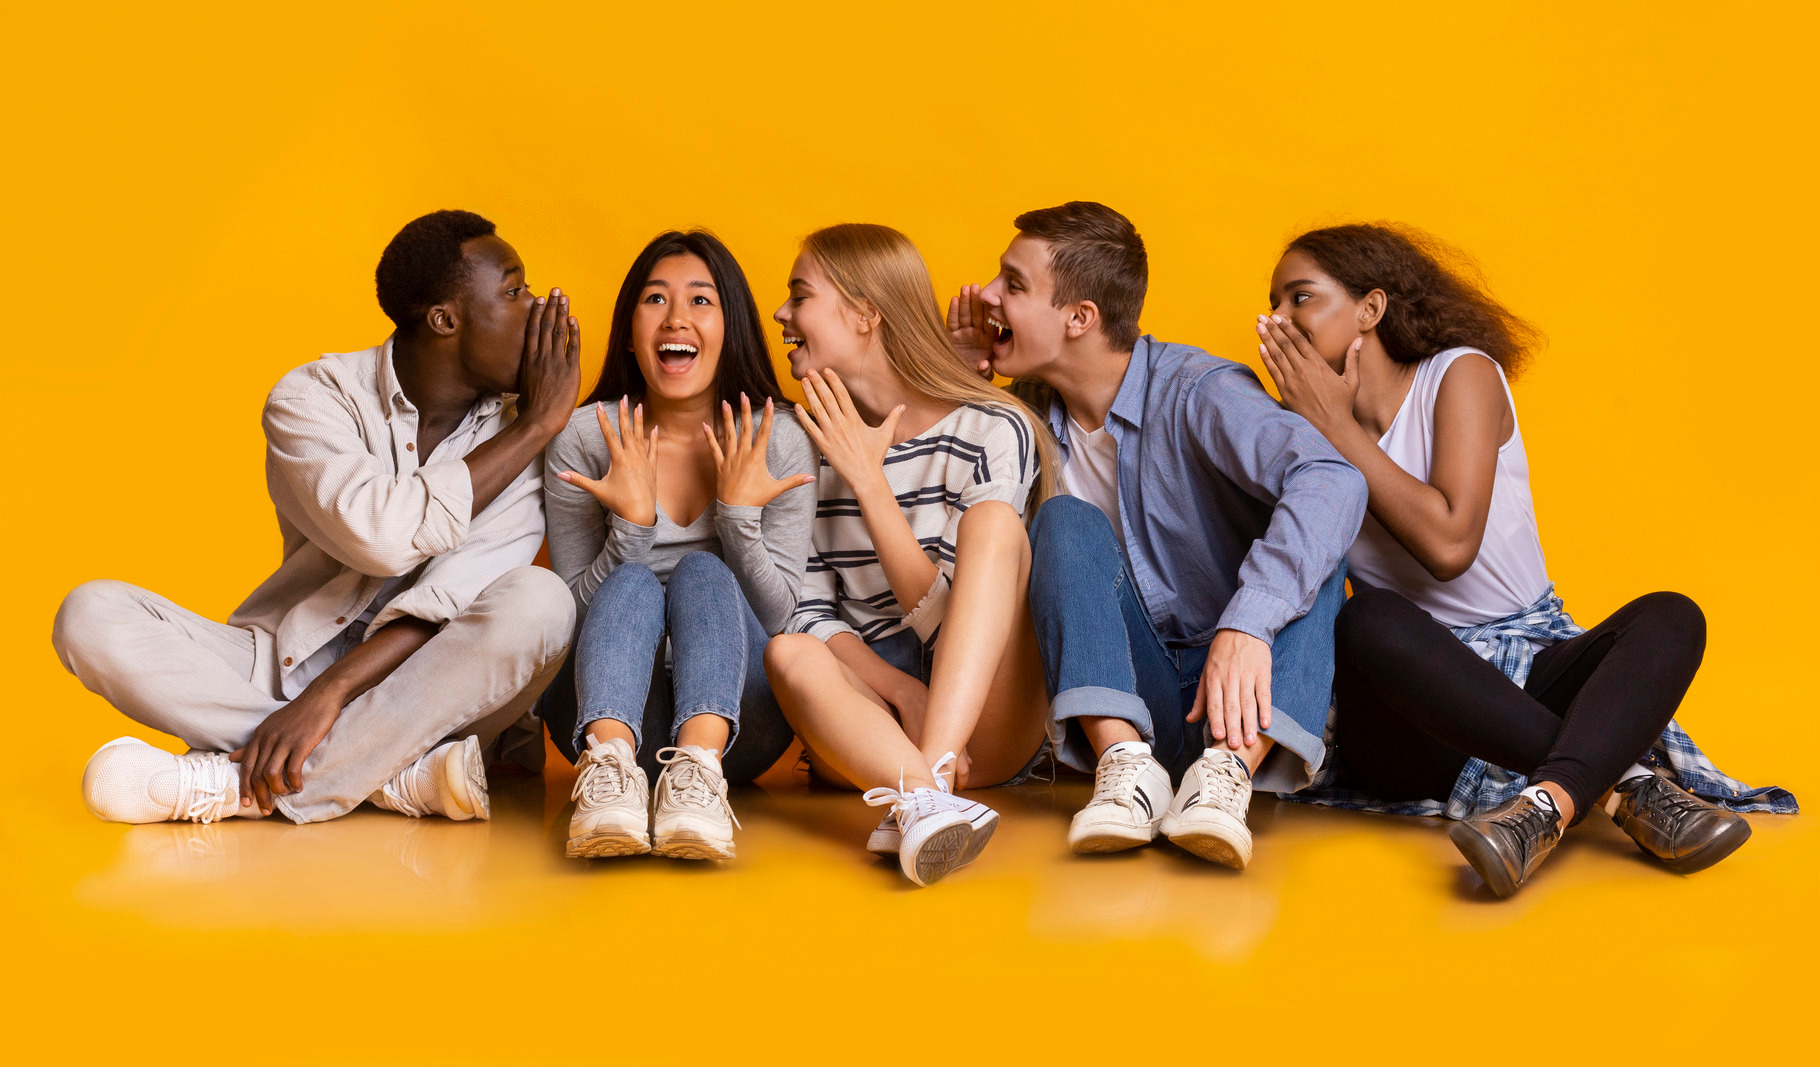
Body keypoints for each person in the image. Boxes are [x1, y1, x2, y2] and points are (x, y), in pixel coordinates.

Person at [1257, 222, 1794, 897]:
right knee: (1369, 622)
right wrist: (1318, 428)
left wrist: (1336, 426)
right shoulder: (1290, 431)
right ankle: (1619, 787)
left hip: (1521, 676)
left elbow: (1450, 545)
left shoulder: (1460, 375)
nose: (1276, 319)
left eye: (1299, 298)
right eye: (1273, 301)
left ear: (1370, 308)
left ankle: (1542, 807)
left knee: (1671, 616)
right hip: (1414, 713)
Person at [54, 209, 580, 825]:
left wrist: (332, 696)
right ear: (445, 319)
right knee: (90, 614)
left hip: (427, 684)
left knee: (541, 602)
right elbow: (380, 538)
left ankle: (238, 784)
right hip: (280, 665)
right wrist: (542, 422)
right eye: (515, 290)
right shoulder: (311, 397)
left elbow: (446, 600)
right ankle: (386, 775)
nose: (538, 305)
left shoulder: (527, 437)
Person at [947, 201, 1366, 869]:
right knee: (1063, 520)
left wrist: (1247, 624)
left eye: (1014, 284)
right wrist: (960, 384)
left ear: (1080, 317)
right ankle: (1125, 770)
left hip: (1238, 699)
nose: (987, 295)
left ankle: (1225, 778)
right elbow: (950, 544)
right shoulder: (1016, 416)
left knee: (1319, 540)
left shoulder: (1197, 390)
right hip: (1129, 709)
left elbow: (1334, 479)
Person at [762, 223, 1055, 888]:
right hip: (873, 724)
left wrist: (870, 483)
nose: (782, 314)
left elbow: (960, 624)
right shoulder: (798, 445)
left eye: (799, 295)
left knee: (997, 526)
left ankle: (933, 774)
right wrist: (901, 690)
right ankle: (923, 797)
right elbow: (806, 611)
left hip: (989, 719)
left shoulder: (991, 427)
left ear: (866, 314)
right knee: (786, 650)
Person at [543, 230, 815, 861]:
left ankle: (696, 773)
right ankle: (608, 786)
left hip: (740, 727)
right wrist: (632, 527)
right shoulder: (589, 437)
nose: (676, 319)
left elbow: (778, 619)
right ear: (631, 329)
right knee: (633, 583)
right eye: (655, 300)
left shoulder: (778, 436)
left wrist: (739, 516)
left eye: (700, 301)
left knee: (702, 571)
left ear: (732, 324)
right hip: (599, 717)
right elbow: (567, 617)